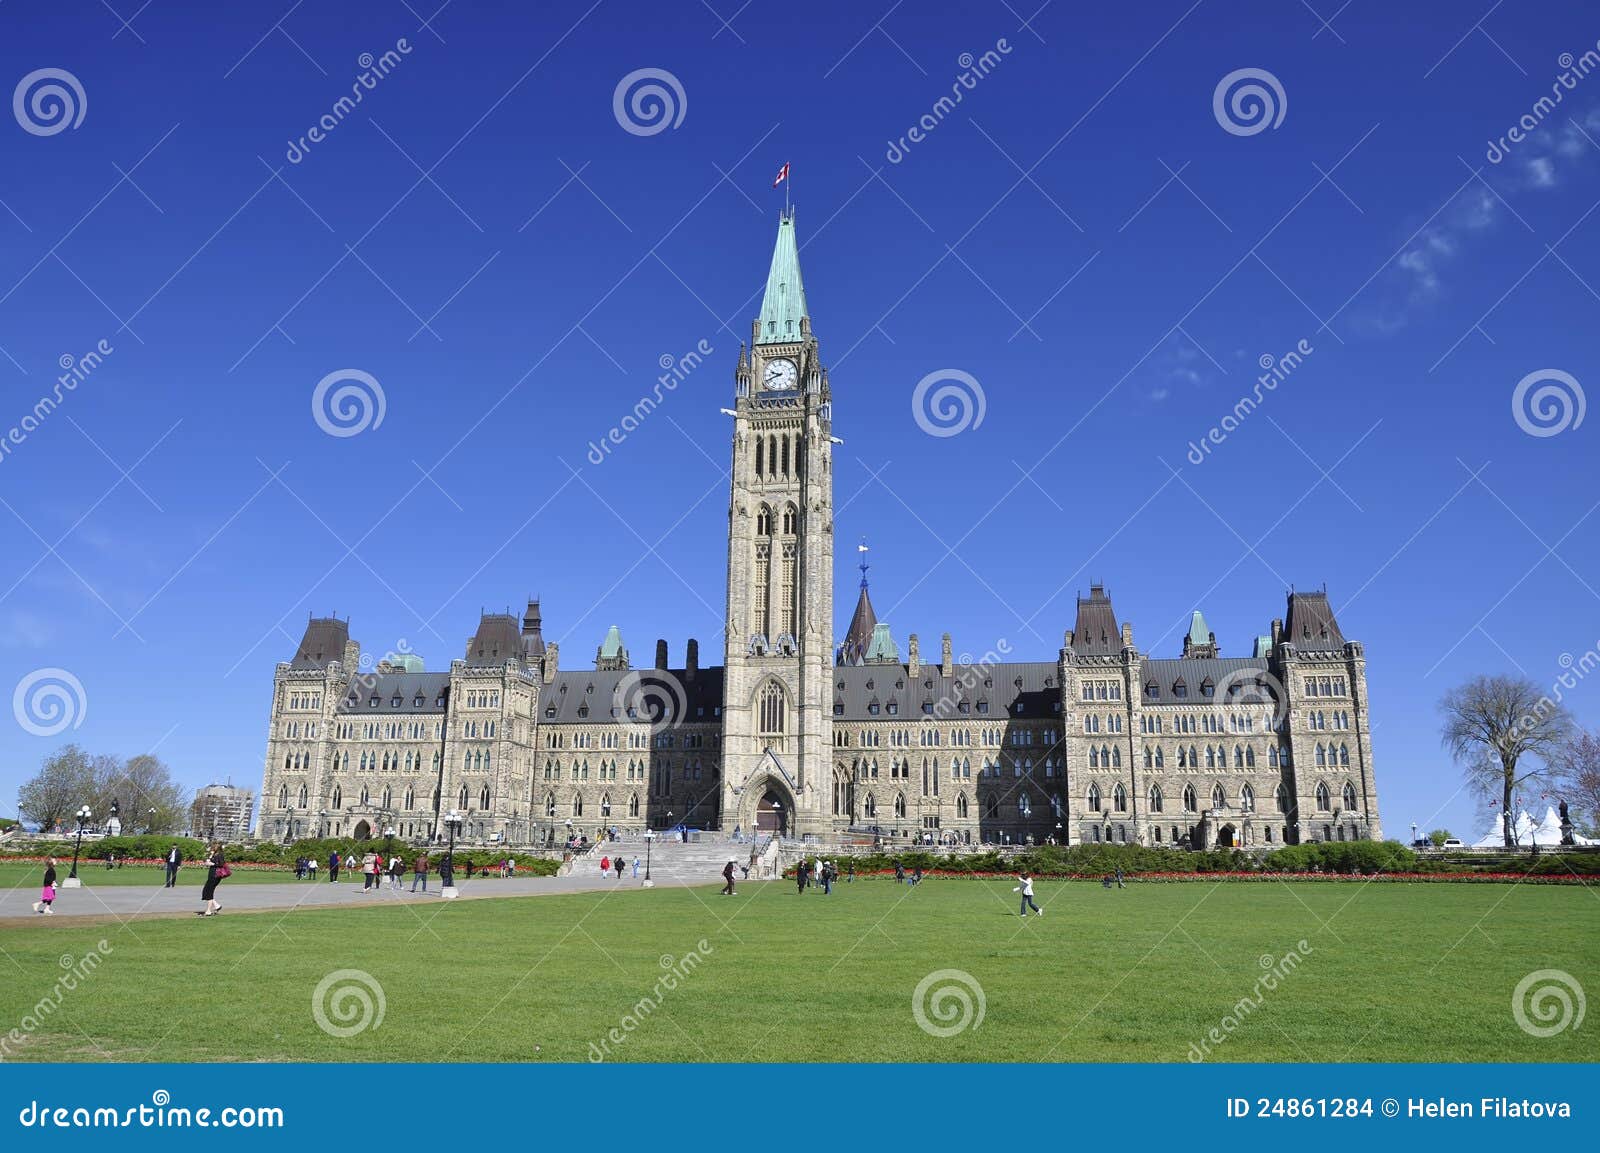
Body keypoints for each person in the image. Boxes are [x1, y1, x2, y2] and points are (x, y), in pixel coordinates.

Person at [199, 843, 228, 916]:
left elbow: (221, 864)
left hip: (216, 876)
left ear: (216, 848)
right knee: (206, 891)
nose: (211, 849)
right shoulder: (214, 855)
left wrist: (212, 864)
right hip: (211, 875)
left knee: (209, 892)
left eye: (213, 848)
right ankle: (217, 906)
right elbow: (208, 860)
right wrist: (210, 856)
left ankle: (208, 911)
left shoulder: (220, 855)